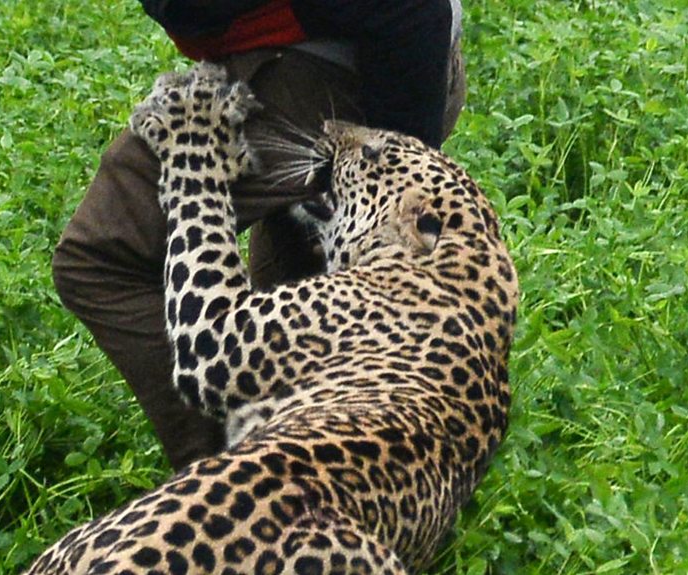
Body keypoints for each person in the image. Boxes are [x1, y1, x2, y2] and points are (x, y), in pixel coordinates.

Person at [52, 0, 467, 472]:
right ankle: (328, 486)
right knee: (298, 315)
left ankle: (238, 492)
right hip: (353, 42)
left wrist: (394, 185)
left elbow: (414, 12)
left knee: (100, 257)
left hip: (367, 60)